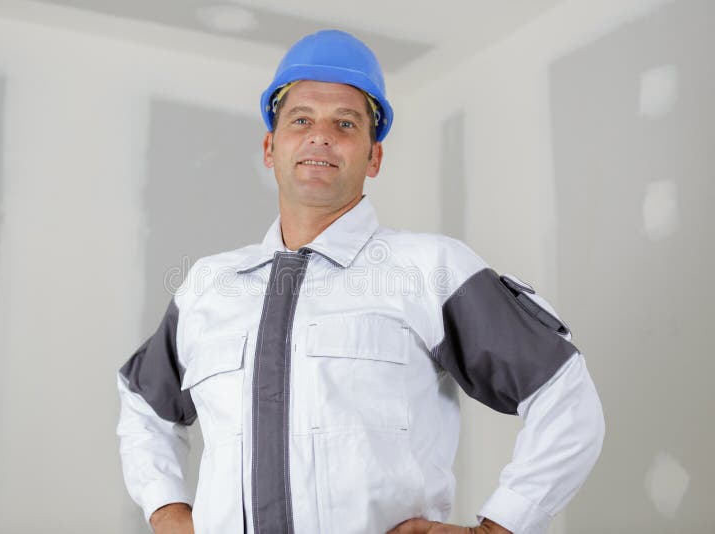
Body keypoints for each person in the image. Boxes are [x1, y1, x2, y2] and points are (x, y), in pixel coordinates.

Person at [117, 29, 605, 534]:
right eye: (300, 119)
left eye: (344, 124)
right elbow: (143, 403)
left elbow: (564, 394)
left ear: (374, 157)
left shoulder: (430, 270)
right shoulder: (208, 286)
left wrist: (501, 528)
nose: (320, 135)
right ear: (270, 147)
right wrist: (166, 510)